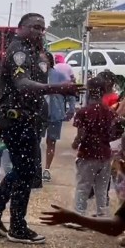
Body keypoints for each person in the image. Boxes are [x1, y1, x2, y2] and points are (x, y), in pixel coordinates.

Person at [0, 13, 80, 244]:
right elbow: (23, 85)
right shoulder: (19, 51)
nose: (39, 31)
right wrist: (56, 88)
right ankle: (17, 226)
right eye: (34, 27)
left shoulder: (37, 51)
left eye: (42, 28)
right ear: (20, 28)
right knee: (26, 171)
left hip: (27, 120)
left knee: (25, 170)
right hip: (15, 120)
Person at [71, 78, 123, 220]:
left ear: (89, 91)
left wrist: (75, 144)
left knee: (83, 186)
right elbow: (116, 132)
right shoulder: (110, 112)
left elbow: (81, 134)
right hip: (105, 155)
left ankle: (79, 215)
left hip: (88, 154)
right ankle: (102, 214)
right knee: (102, 187)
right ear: (104, 92)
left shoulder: (84, 112)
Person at [43, 51, 75, 183]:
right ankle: (35, 167)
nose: (42, 63)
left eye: (44, 60)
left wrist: (71, 109)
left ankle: (47, 169)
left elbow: (70, 92)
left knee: (51, 141)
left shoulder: (59, 76)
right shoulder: (35, 76)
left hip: (55, 114)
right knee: (35, 142)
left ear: (51, 61)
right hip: (39, 114)